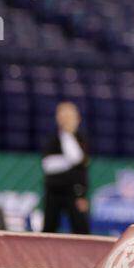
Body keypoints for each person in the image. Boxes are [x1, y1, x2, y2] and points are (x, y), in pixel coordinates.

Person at [40, 101, 91, 235]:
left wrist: (82, 194)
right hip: (53, 191)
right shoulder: (52, 140)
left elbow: (80, 162)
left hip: (74, 192)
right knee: (48, 230)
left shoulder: (81, 139)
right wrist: (70, 162)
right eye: (64, 117)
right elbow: (48, 165)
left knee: (81, 229)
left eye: (70, 117)